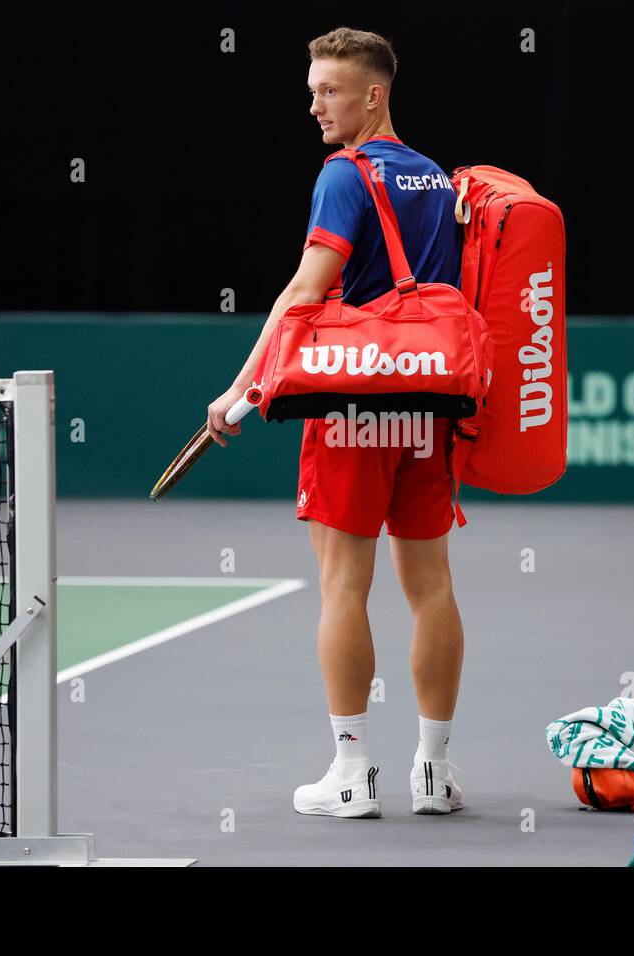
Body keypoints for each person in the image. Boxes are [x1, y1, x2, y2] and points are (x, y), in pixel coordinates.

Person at [206, 27, 465, 818]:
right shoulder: (435, 178)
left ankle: (350, 775)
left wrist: (243, 387)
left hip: (352, 405)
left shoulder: (342, 175)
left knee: (342, 585)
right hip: (427, 405)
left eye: (329, 90)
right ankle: (434, 771)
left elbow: (305, 291)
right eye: (313, 89)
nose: (314, 103)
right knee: (432, 586)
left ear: (373, 93)